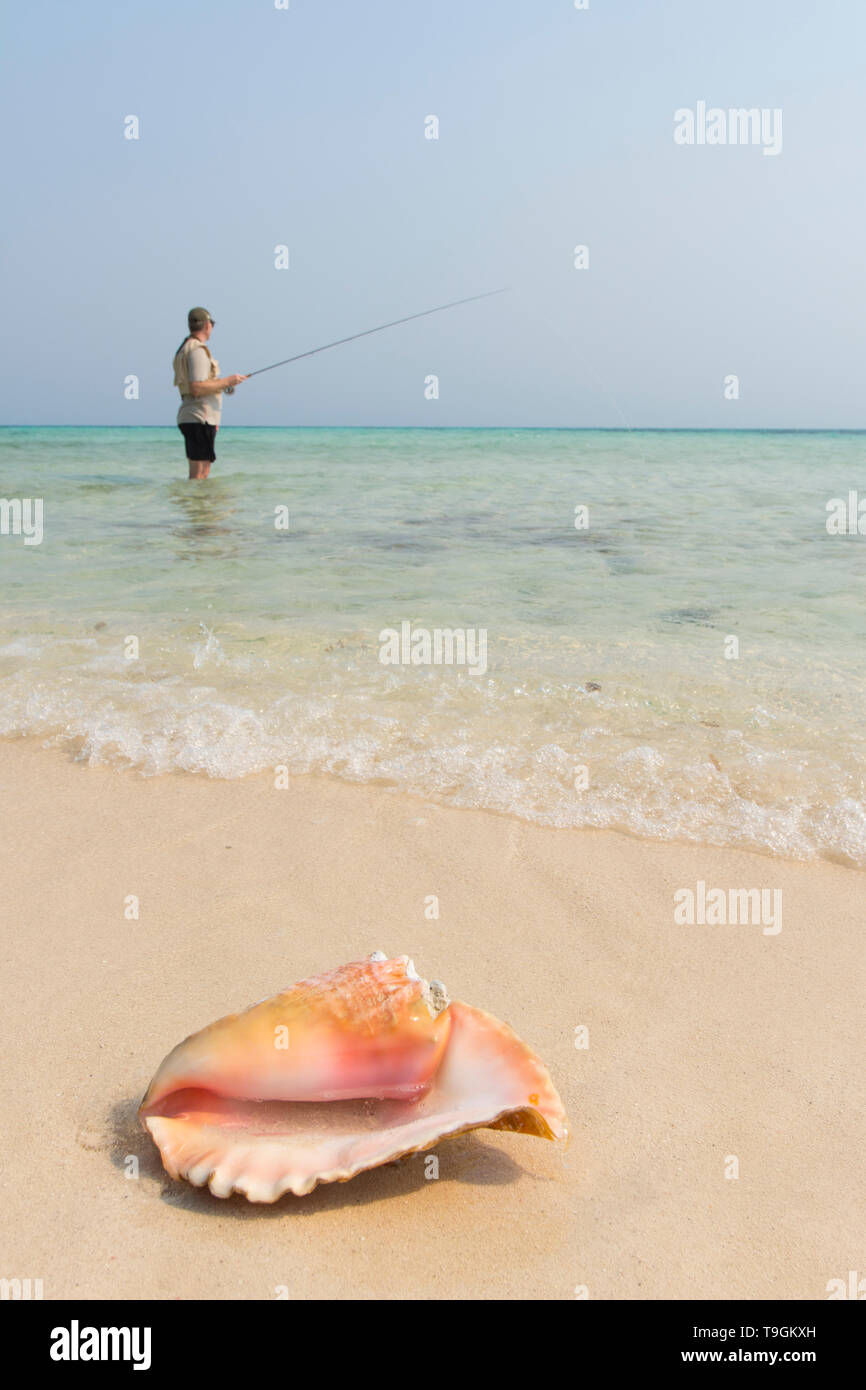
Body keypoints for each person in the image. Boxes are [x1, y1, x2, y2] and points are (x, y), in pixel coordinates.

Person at [173, 308, 248, 479]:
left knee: (200, 472)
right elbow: (197, 387)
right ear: (207, 325)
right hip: (200, 416)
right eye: (212, 324)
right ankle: (197, 505)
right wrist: (228, 381)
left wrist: (222, 386)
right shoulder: (197, 350)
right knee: (200, 473)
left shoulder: (186, 347)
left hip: (193, 415)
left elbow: (197, 384)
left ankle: (198, 504)